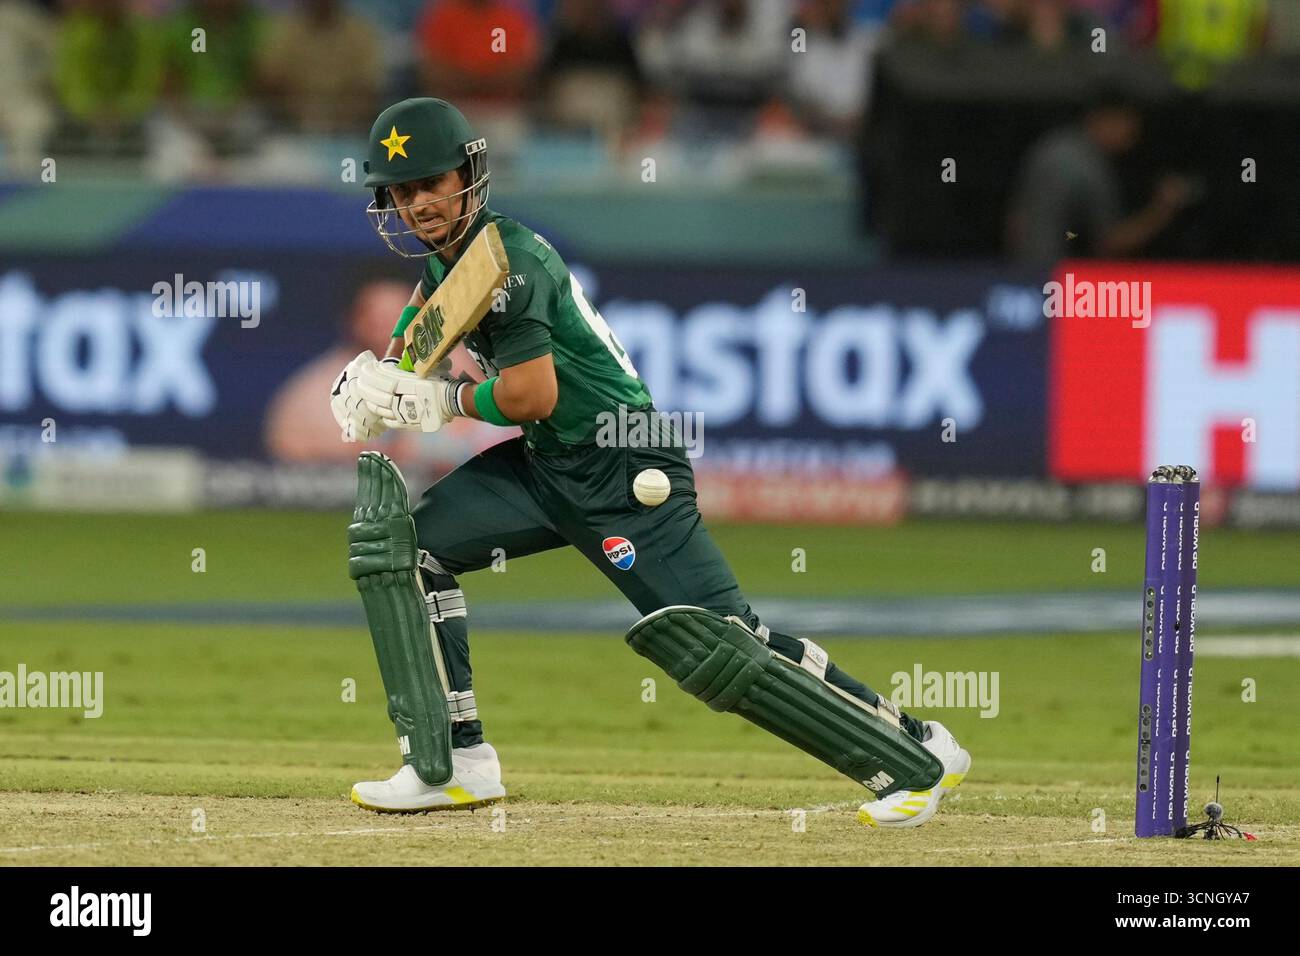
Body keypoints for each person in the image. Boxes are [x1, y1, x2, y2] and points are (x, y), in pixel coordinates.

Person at [330, 97, 970, 827]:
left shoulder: (510, 264)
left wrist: (443, 403)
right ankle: (449, 763)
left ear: (466, 175)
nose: (417, 205)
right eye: (402, 193)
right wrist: (381, 380)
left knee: (721, 646)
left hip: (625, 465)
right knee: (407, 551)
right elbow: (423, 321)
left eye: (429, 184)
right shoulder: (453, 261)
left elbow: (535, 394)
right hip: (550, 467)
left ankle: (916, 755)